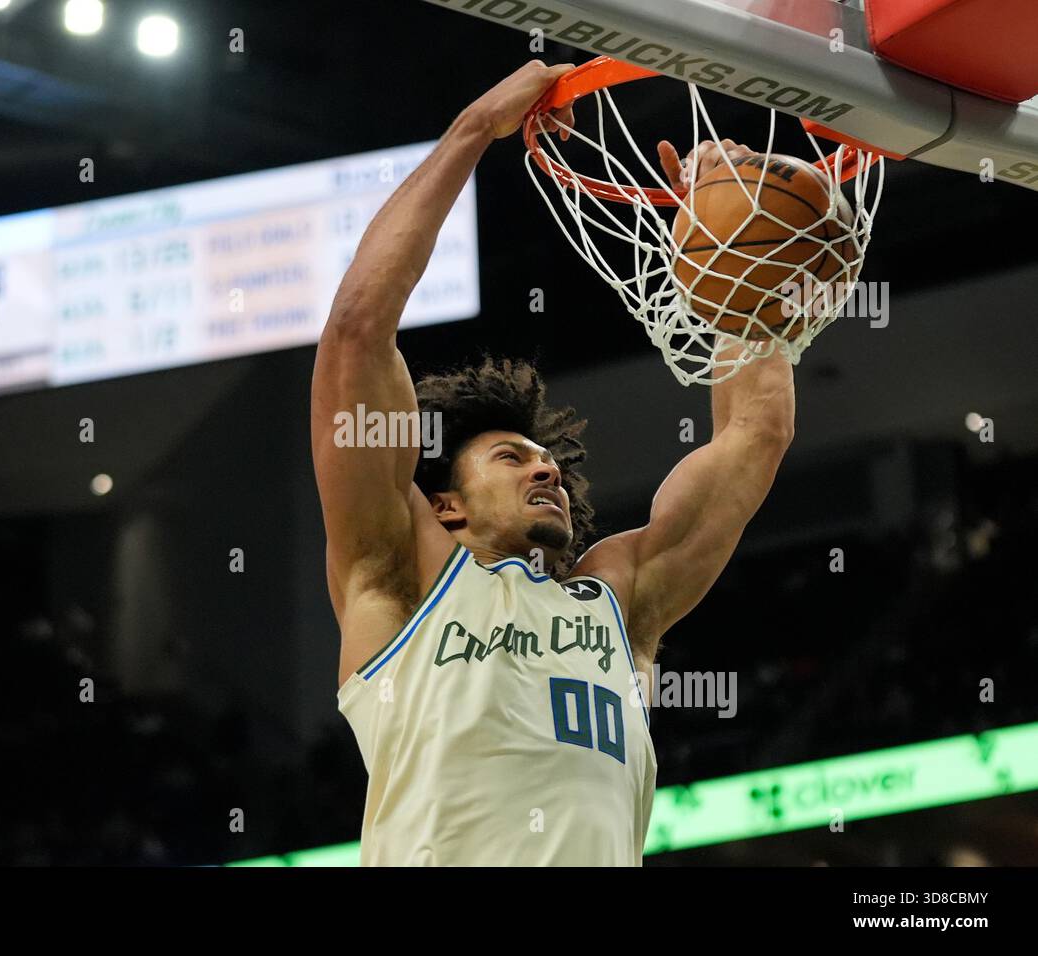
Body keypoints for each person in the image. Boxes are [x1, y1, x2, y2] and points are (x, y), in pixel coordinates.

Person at [310, 60, 794, 865]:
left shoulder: (620, 600)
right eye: (510, 457)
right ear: (446, 508)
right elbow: (359, 329)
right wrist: (472, 130)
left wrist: (732, 260)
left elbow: (758, 432)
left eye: (549, 463)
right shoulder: (398, 578)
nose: (547, 473)